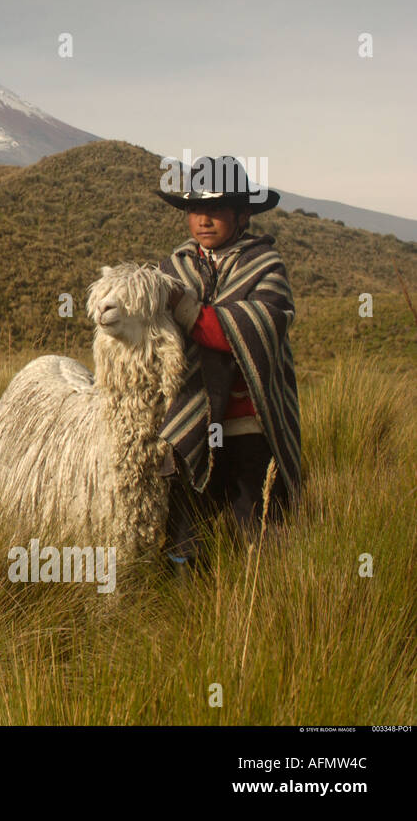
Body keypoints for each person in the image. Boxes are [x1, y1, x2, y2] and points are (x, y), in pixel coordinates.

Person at [154, 156, 302, 566]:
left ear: (241, 215)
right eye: (195, 209)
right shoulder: (173, 268)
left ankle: (270, 605)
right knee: (184, 535)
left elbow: (256, 328)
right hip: (192, 422)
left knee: (258, 528)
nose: (203, 219)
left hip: (247, 425)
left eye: (216, 209)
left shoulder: (265, 266)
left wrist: (188, 311)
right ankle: (184, 608)